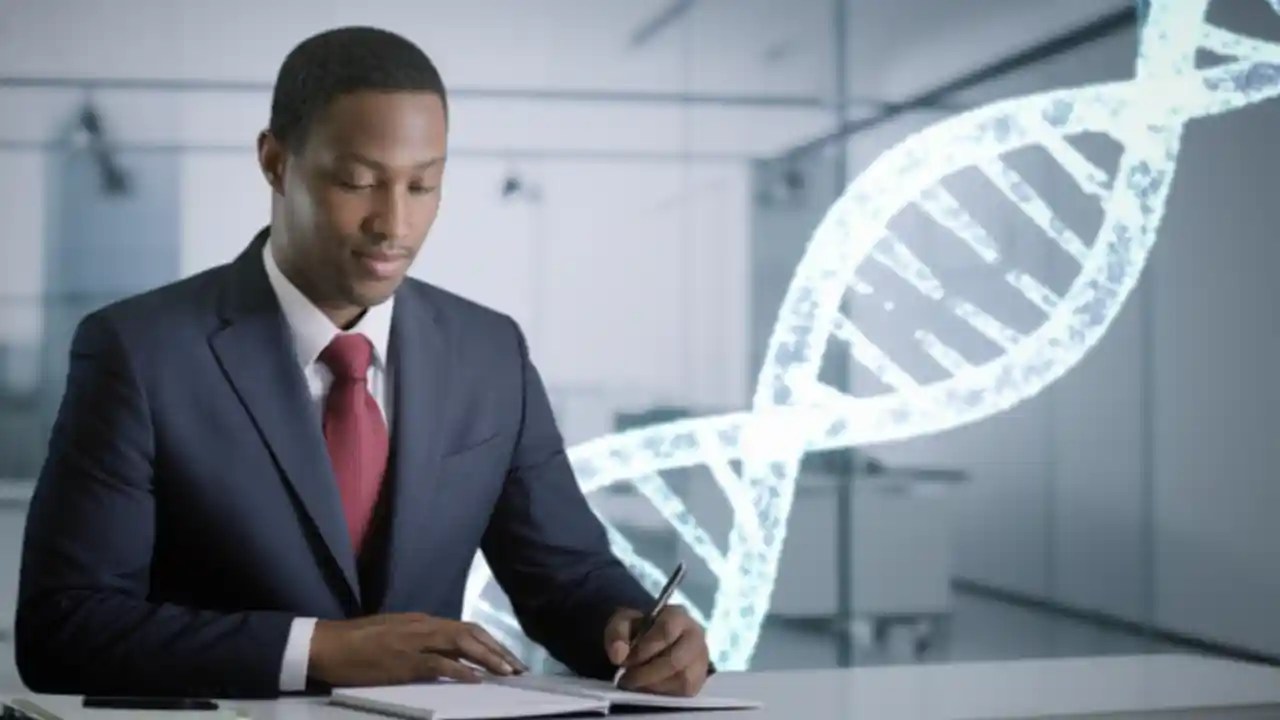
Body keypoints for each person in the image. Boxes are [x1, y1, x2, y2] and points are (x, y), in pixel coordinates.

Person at [16, 26, 711, 700]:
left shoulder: (489, 353)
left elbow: (566, 575)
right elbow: (64, 628)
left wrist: (633, 630)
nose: (394, 225)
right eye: (357, 182)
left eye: (422, 186)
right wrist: (317, 649)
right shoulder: (140, 352)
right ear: (275, 162)